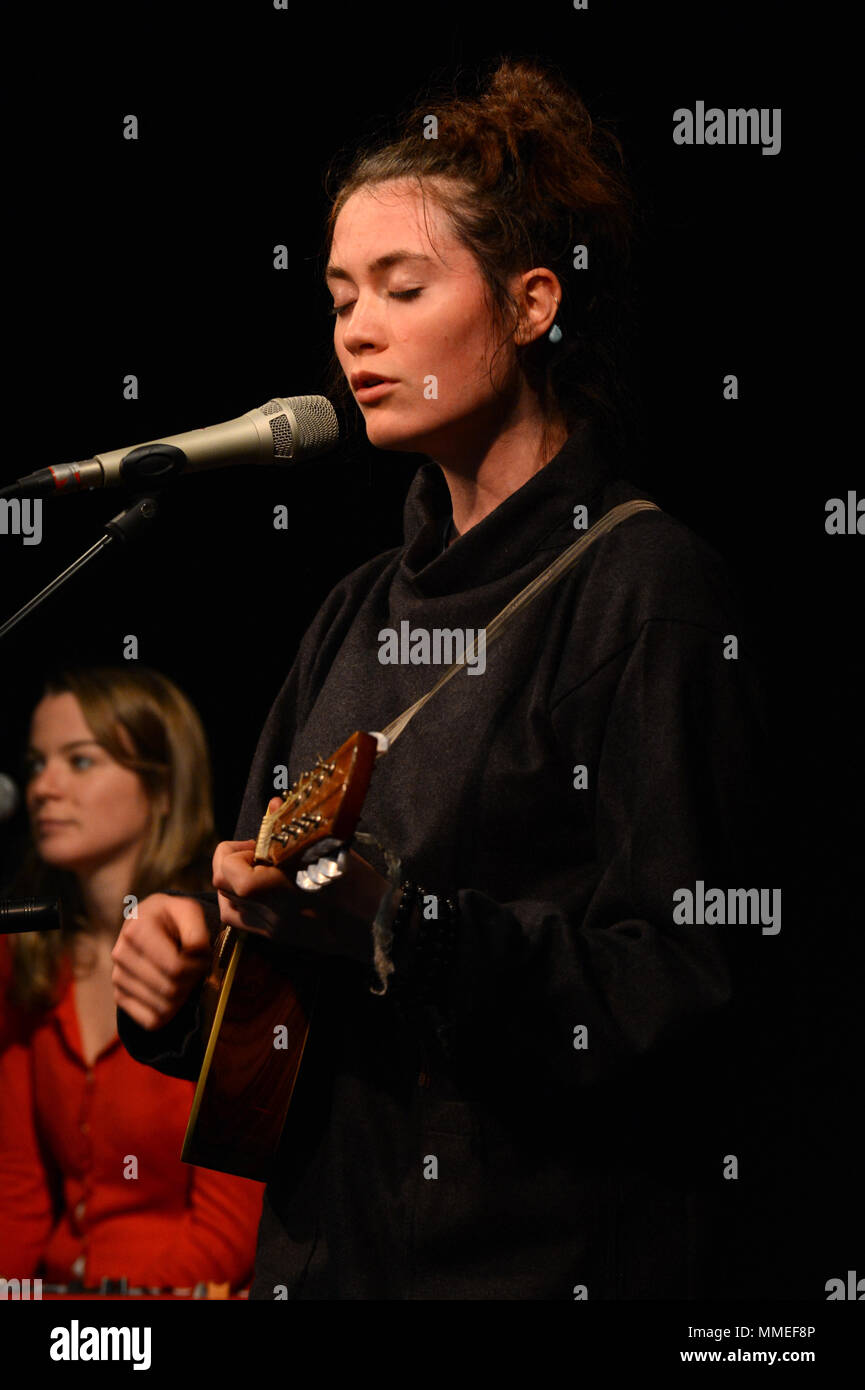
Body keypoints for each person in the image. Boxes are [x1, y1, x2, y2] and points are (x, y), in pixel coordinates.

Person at [112, 57, 775, 1299]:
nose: (355, 330)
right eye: (338, 297)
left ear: (529, 306)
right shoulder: (353, 612)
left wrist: (410, 932)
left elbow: (693, 988)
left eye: (402, 287)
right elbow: (270, 973)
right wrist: (187, 970)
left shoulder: (645, 589)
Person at [0, 667, 264, 1290]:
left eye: (80, 761)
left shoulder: (221, 952)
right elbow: (17, 1195)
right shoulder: (26, 955)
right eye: (36, 764)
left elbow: (229, 1234)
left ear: (163, 789)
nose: (42, 788)